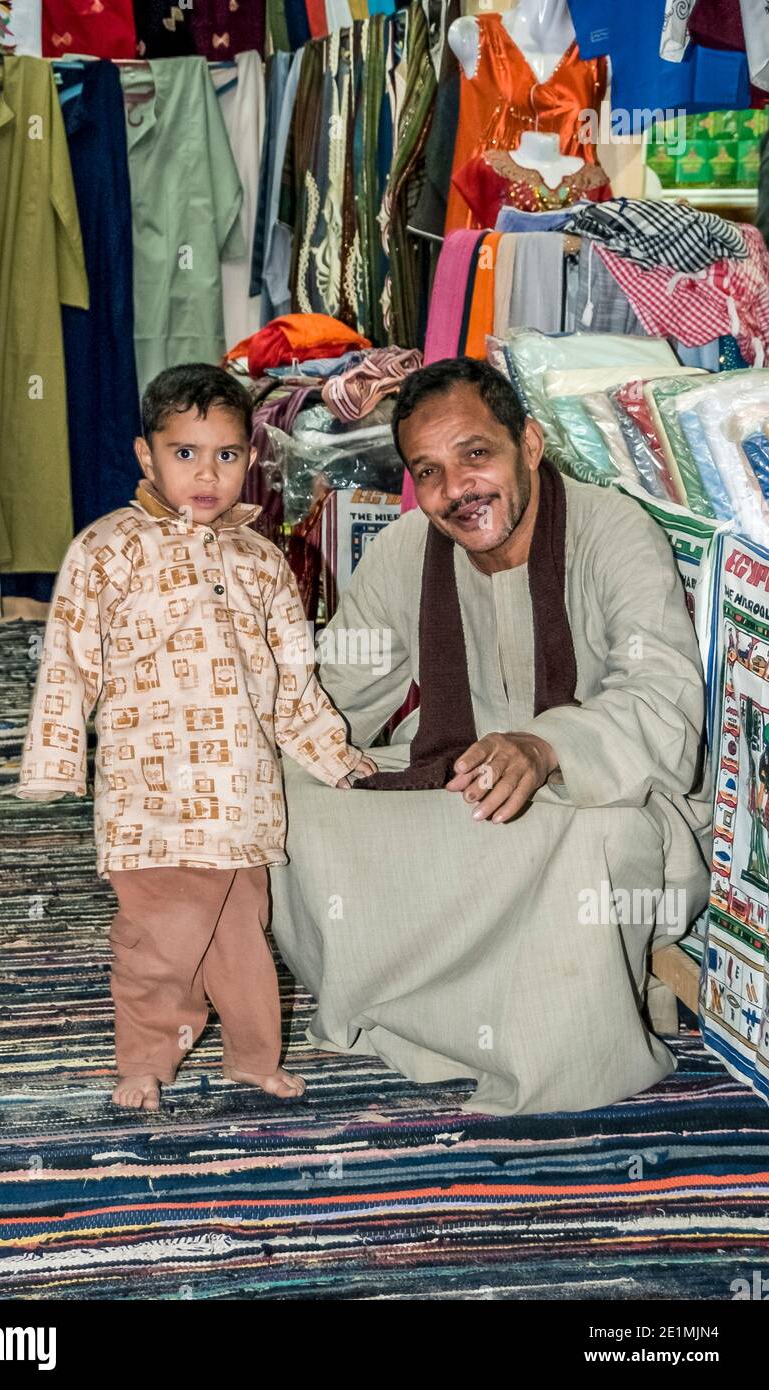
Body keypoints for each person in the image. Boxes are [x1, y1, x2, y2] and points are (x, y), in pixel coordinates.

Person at [271, 357, 712, 1116]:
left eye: (477, 455)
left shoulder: (614, 535)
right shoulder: (408, 549)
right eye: (430, 472)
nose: (457, 491)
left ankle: (520, 1036)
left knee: (595, 849)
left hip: (595, 801)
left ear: (529, 446)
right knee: (286, 798)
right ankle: (421, 1007)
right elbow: (328, 702)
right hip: (458, 788)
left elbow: (665, 704)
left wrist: (546, 749)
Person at [15, 363, 375, 1110]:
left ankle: (251, 1057)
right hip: (150, 804)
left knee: (242, 939)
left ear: (252, 457)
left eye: (227, 455)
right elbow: (69, 657)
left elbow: (291, 679)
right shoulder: (107, 549)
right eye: (185, 453)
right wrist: (54, 760)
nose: (207, 474)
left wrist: (336, 760)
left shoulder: (264, 562)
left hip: (241, 800)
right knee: (162, 942)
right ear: (148, 456)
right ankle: (145, 1061)